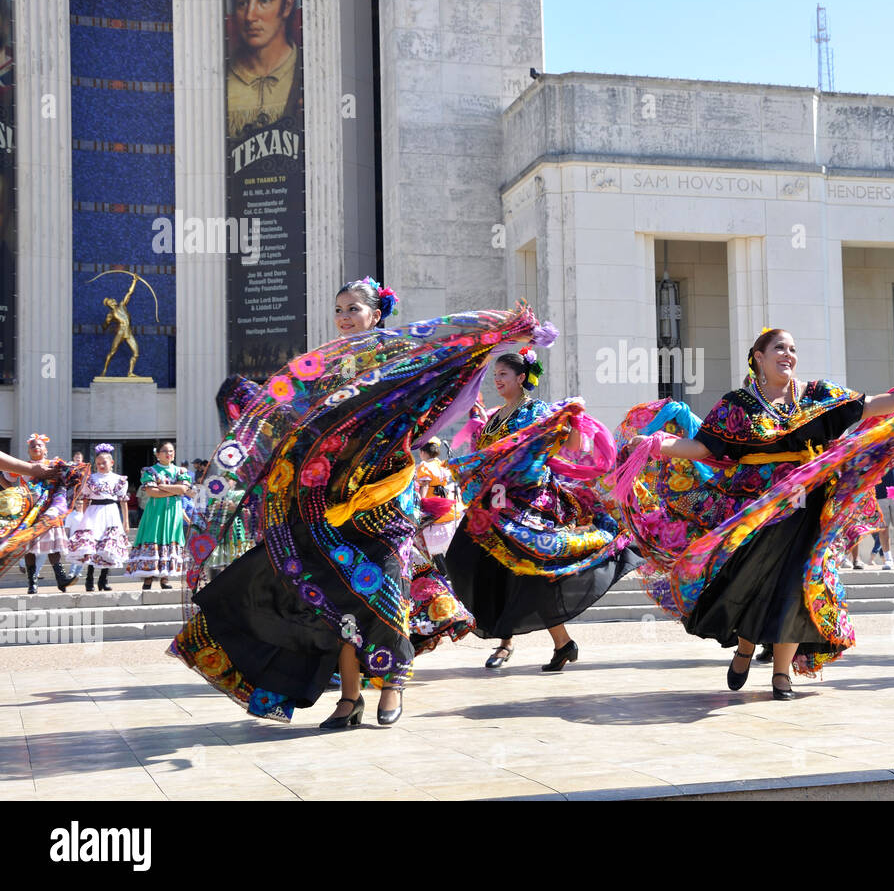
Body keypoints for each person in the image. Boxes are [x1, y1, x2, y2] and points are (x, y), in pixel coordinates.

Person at [170, 288, 548, 726]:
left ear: (377, 314)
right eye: (338, 310)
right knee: (336, 600)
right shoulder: (325, 370)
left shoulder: (407, 360)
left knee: (384, 588)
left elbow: (442, 374)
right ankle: (349, 699)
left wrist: (497, 332)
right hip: (329, 503)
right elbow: (296, 421)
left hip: (384, 498)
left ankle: (393, 685)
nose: (345, 317)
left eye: (354, 309)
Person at [616, 327, 894, 699]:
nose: (788, 354)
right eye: (779, 348)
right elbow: (702, 448)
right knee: (753, 580)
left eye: (792, 348)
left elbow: (865, 406)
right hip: (757, 508)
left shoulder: (817, 395)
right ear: (758, 356)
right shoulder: (736, 405)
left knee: (797, 588)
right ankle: (744, 646)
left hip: (810, 505)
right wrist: (656, 444)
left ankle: (781, 674)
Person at [445, 350, 638, 671]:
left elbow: (572, 446)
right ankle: (552, 642)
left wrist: (573, 418)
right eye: (495, 375)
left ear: (522, 378)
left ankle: (531, 643)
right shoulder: (496, 415)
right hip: (492, 502)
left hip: (528, 501)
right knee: (466, 560)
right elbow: (487, 456)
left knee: (527, 574)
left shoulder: (538, 411)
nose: (497, 380)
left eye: (503, 375)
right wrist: (478, 431)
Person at [226, 0, 302, 139]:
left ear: (287, 4)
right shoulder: (225, 77)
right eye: (243, 3)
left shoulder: (305, 70)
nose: (250, 16)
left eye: (264, 0)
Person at [65, 444, 130, 592]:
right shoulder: (90, 479)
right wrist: (84, 518)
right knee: (92, 546)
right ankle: (89, 579)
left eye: (104, 462)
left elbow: (123, 501)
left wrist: (126, 521)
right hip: (94, 512)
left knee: (108, 546)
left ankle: (103, 579)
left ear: (112, 463)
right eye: (98, 463)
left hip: (112, 512)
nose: (101, 465)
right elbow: (86, 500)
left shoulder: (119, 479)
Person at [124, 442, 189, 590]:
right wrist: (174, 490)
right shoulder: (150, 471)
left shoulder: (180, 471)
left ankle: (165, 578)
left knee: (169, 537)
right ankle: (148, 578)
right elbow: (152, 492)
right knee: (152, 537)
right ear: (157, 454)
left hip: (173, 511)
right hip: (155, 511)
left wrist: (161, 486)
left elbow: (183, 489)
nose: (169, 454)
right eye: (165, 451)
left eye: (171, 451)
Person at [15, 435, 70, 594]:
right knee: (29, 548)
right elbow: (5, 477)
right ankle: (32, 583)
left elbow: (66, 480)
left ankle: (61, 579)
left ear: (45, 449)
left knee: (53, 547)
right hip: (29, 512)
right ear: (28, 450)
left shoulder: (53, 464)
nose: (36, 447)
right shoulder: (23, 466)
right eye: (32, 445)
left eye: (39, 445)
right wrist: (17, 493)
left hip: (49, 510)